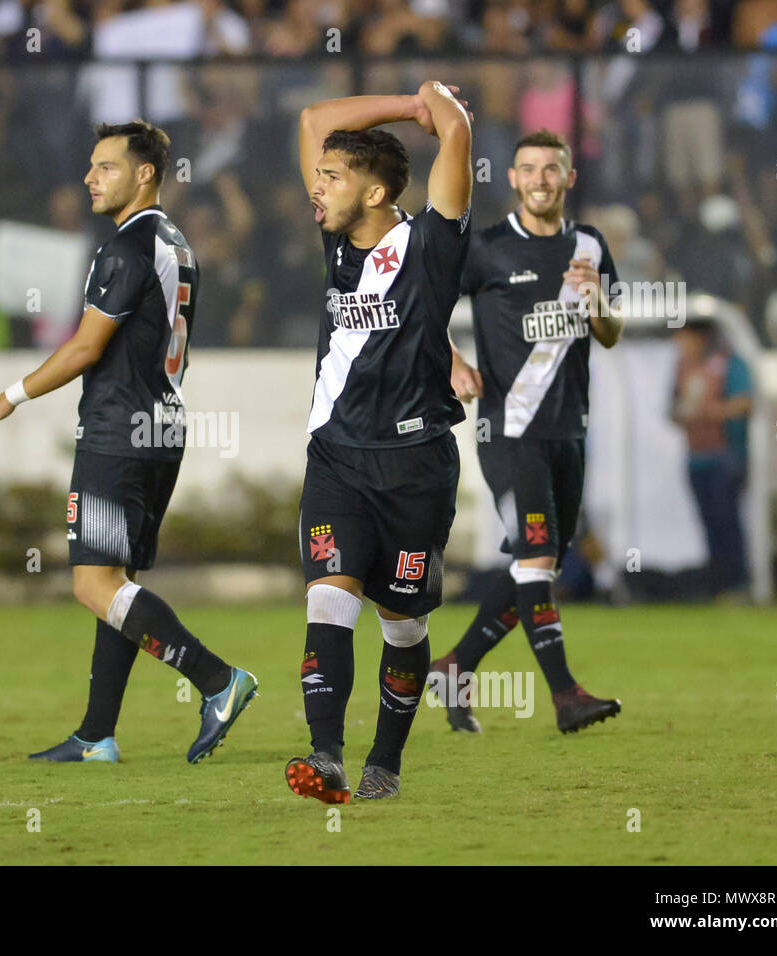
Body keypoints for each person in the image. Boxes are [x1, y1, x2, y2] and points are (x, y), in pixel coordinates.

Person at [0, 120, 257, 764]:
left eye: (104, 166)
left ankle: (217, 680)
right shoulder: (176, 242)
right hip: (159, 427)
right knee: (117, 582)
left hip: (118, 431)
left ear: (144, 174)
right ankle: (97, 733)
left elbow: (84, 346)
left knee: (91, 584)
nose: (88, 178)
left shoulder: (126, 248)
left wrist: (7, 397)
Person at [285, 81, 472, 804]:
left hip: (418, 466)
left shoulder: (428, 243)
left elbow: (456, 133)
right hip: (336, 459)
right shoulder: (336, 239)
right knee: (328, 601)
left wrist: (437, 105)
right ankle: (325, 758)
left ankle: (385, 763)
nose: (318, 187)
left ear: (373, 191)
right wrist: (404, 101)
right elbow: (313, 116)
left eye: (333, 178)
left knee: (403, 625)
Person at [430, 129, 623, 735]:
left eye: (551, 169)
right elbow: (423, 307)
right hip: (508, 430)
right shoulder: (488, 249)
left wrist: (597, 305)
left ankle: (455, 667)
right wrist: (456, 362)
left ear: (569, 178)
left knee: (535, 567)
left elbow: (610, 332)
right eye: (529, 169)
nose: (540, 179)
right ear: (511, 179)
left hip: (569, 430)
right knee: (537, 555)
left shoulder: (589, 246)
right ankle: (566, 696)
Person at [671, 317, 752, 597]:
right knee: (708, 521)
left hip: (724, 455)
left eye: (684, 336)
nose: (678, 343)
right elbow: (672, 407)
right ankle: (718, 583)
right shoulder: (683, 367)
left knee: (726, 519)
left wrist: (709, 412)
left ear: (701, 337)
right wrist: (683, 415)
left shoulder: (729, 362)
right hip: (696, 457)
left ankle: (739, 583)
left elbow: (744, 403)